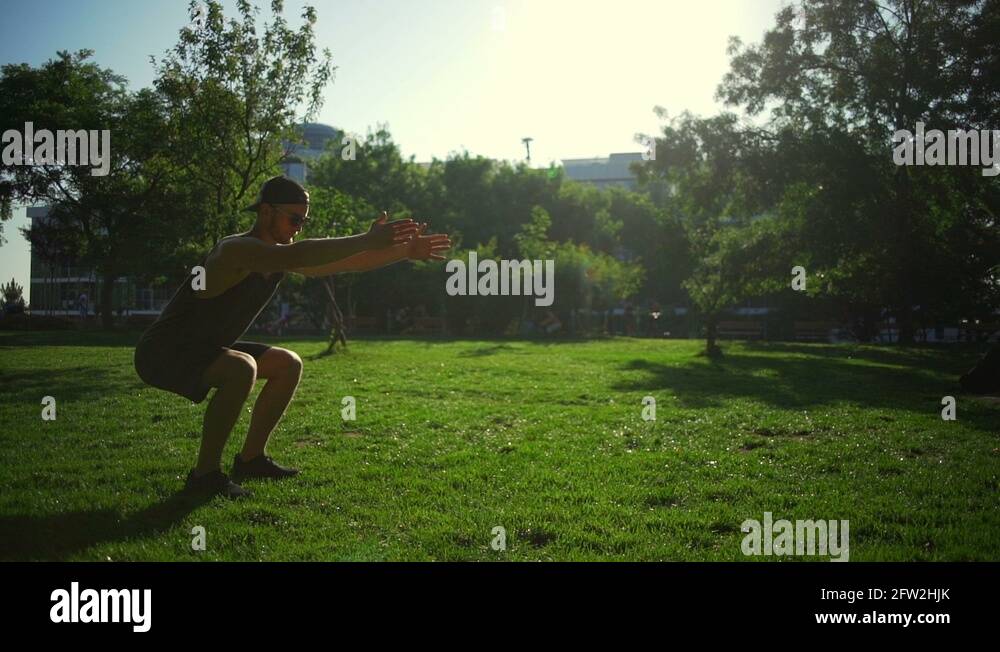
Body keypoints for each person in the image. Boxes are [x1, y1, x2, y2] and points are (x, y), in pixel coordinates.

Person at [133, 176, 451, 498]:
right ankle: (204, 476)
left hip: (205, 348)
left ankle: (251, 459)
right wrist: (366, 238)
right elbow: (297, 255)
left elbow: (346, 263)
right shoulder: (235, 250)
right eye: (294, 218)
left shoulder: (279, 255)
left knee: (287, 364)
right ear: (267, 212)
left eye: (304, 220)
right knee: (242, 368)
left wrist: (404, 251)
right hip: (163, 351)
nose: (298, 227)